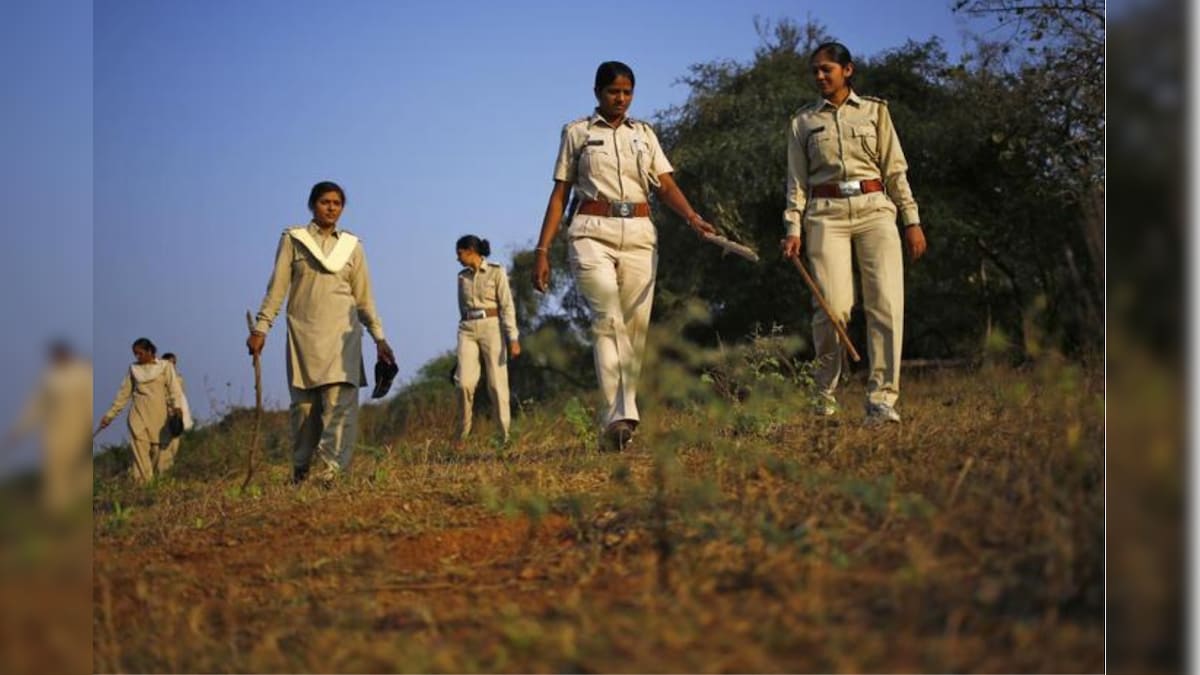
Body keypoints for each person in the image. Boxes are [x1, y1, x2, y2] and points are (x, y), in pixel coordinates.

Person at [532, 61, 716, 450]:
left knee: (634, 330)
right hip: (590, 233)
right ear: (597, 92)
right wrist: (543, 249)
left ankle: (619, 428)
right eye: (614, 91)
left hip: (639, 234)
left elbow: (665, 185)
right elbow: (559, 195)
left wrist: (692, 217)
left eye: (627, 92)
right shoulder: (577, 133)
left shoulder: (645, 134)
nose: (621, 99)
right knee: (607, 318)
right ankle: (620, 414)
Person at [780, 42, 928, 424]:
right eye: (814, 70)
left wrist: (911, 220)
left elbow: (895, 170)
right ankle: (824, 393)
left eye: (826, 69)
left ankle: (882, 401)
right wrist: (792, 227)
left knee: (886, 304)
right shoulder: (802, 122)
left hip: (875, 210)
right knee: (833, 307)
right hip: (825, 215)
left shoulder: (877, 112)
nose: (819, 76)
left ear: (848, 70)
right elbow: (796, 182)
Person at [246, 181, 396, 485]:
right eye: (325, 202)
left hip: (344, 336)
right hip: (304, 336)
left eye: (337, 203)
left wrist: (379, 338)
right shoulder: (294, 240)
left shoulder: (352, 246)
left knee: (340, 405)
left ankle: (331, 473)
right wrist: (262, 327)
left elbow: (365, 297)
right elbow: (277, 289)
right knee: (304, 410)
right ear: (312, 204)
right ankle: (300, 468)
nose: (331, 208)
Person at [4, 340, 93, 512]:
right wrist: (18, 430)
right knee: (54, 469)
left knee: (81, 468)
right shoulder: (49, 377)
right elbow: (36, 406)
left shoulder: (83, 373)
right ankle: (56, 511)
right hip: (54, 429)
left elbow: (89, 403)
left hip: (79, 427)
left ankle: (81, 509)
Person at [454, 234, 520, 445]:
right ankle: (463, 434)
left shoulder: (496, 272)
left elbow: (507, 305)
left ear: (470, 251)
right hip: (466, 329)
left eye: (459, 253)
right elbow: (461, 307)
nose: (457, 258)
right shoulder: (461, 277)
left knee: (496, 384)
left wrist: (513, 337)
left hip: (492, 327)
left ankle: (504, 436)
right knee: (463, 383)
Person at [98, 338, 185, 483]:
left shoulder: (165, 367)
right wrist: (109, 416)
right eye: (135, 354)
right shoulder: (133, 369)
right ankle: (144, 489)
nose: (137, 357)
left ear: (150, 351)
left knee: (157, 454)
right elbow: (123, 395)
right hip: (138, 416)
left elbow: (174, 389)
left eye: (140, 353)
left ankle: (156, 486)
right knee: (140, 456)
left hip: (159, 417)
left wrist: (177, 408)